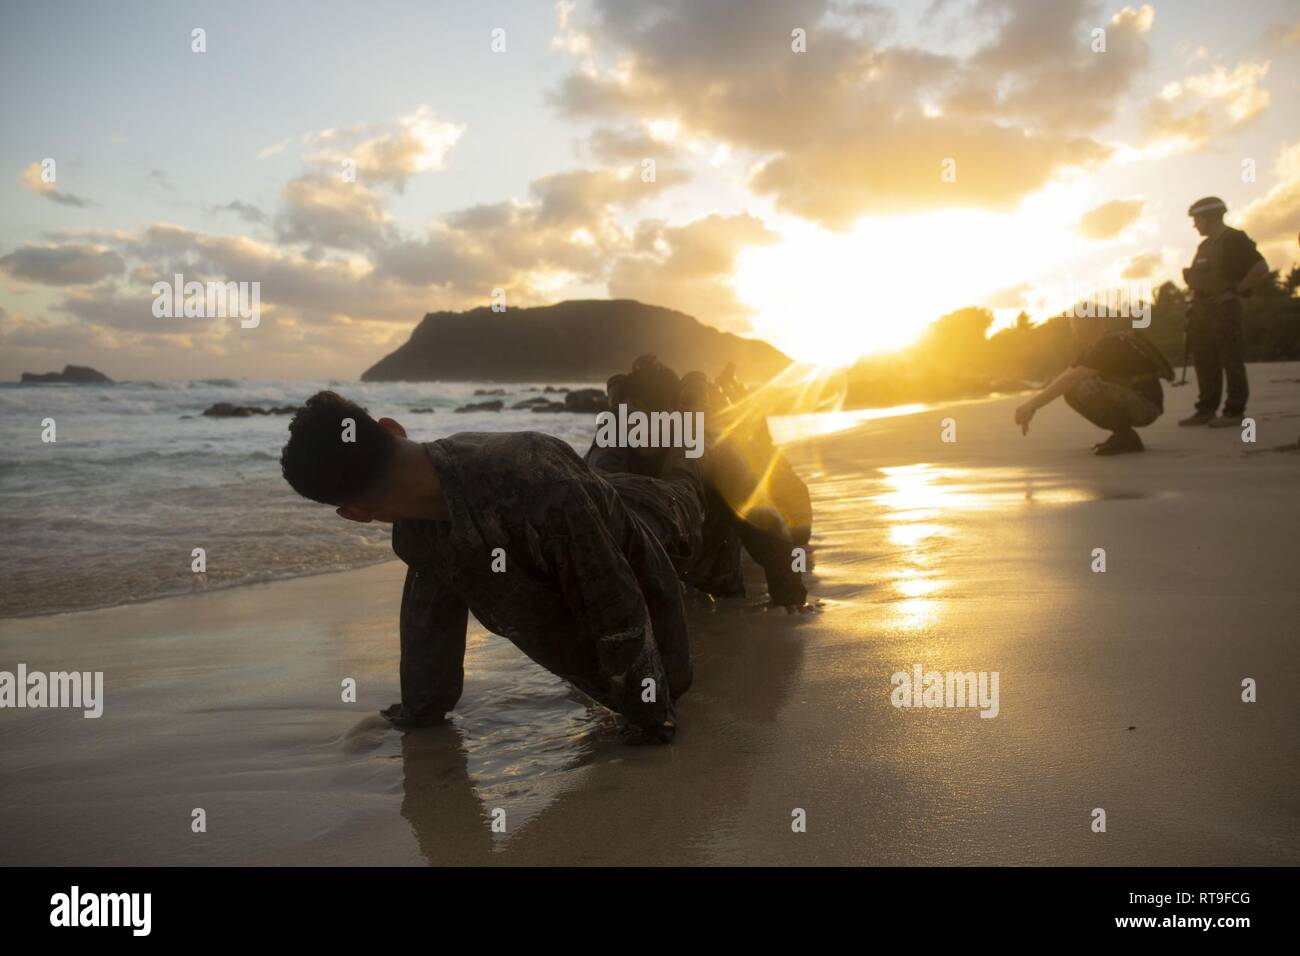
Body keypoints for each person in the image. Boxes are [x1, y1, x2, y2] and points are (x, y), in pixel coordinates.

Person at [279, 391, 705, 744]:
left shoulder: (530, 474)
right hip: (584, 490)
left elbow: (615, 599)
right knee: (599, 471)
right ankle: (629, 414)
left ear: (354, 512)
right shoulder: (418, 537)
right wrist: (421, 710)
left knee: (681, 491)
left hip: (645, 512)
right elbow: (429, 624)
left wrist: (649, 711)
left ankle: (686, 408)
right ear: (393, 428)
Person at [589, 355, 811, 607]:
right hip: (654, 577)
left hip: (713, 580)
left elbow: (771, 525)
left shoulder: (711, 446)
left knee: (795, 529)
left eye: (651, 417)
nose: (643, 430)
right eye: (634, 417)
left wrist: (792, 596)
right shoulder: (614, 440)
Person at [1014, 316, 1169, 455]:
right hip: (1137, 400)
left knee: (1081, 388)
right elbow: (1066, 375)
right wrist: (1032, 405)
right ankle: (1122, 435)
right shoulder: (1092, 348)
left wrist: (1032, 405)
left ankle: (1125, 437)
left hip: (1145, 407)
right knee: (1072, 390)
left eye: (1074, 323)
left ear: (1085, 324)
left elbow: (1072, 379)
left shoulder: (1108, 344)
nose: (1072, 329)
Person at [1178, 196, 1269, 428]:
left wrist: (1236, 290)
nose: (1194, 225)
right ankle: (1206, 410)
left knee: (1231, 360)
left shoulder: (1235, 240)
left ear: (1209, 218)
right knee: (1204, 361)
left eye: (1196, 219)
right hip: (1200, 310)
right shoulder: (1204, 246)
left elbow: (1261, 268)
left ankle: (1234, 411)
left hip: (1224, 310)